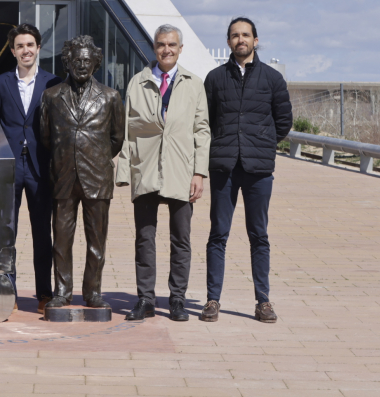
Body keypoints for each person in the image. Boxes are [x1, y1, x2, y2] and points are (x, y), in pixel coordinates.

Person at [200, 17, 292, 324]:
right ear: (228, 42)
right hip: (223, 168)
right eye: (235, 35)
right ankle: (212, 300)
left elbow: (284, 121)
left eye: (246, 35)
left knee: (259, 235)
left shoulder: (272, 79)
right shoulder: (215, 78)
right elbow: (206, 120)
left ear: (255, 40)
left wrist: (261, 144)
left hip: (258, 170)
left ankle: (263, 301)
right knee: (218, 235)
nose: (241, 40)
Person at [117, 24, 210, 322]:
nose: (166, 49)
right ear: (154, 48)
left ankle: (177, 299)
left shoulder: (194, 84)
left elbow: (201, 131)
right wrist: (124, 171)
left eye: (171, 45)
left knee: (180, 239)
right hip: (145, 169)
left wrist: (199, 173)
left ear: (180, 49)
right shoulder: (138, 83)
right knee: (144, 238)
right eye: (161, 44)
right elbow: (128, 131)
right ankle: (145, 298)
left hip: (181, 170)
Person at [39, 35, 125, 310]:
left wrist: (94, 156)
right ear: (67, 62)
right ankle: (62, 291)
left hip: (97, 177)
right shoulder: (51, 96)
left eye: (87, 60)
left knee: (96, 241)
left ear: (96, 62)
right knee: (61, 240)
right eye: (76, 60)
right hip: (63, 176)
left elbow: (117, 138)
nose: (82, 65)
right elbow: (46, 137)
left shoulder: (111, 97)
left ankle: (93, 292)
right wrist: (67, 156)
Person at [0, 23, 62, 314]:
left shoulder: (54, 83)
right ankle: (8, 291)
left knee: (43, 234)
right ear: (13, 51)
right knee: (6, 235)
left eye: (30, 45)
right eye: (20, 46)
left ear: (38, 48)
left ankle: (44, 293)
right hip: (9, 169)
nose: (25, 50)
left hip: (41, 168)